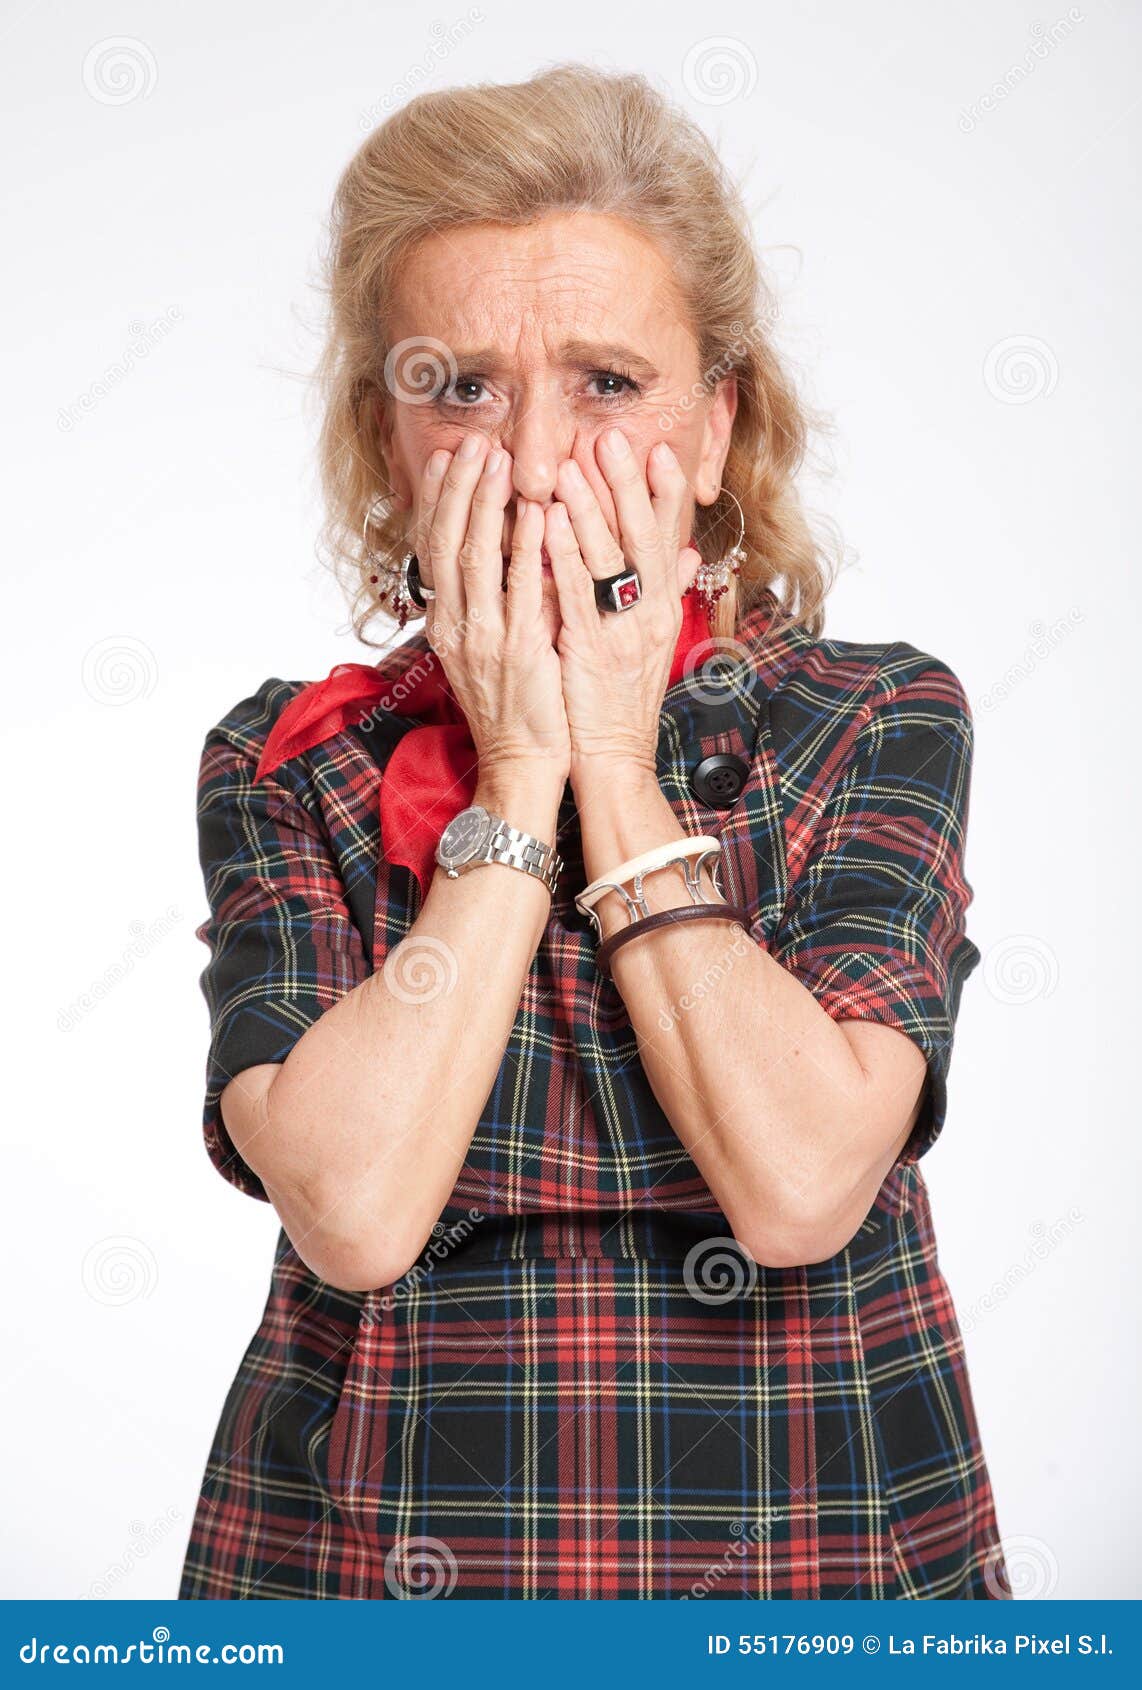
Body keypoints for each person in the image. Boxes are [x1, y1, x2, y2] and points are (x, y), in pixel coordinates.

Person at [179, 63, 1008, 1601]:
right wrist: (512, 776)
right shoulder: (286, 758)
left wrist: (611, 764)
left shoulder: (877, 718)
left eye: (608, 384)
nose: (539, 460)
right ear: (387, 437)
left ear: (711, 432)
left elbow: (799, 1183)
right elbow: (353, 1212)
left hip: (811, 1573)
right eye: (462, 385)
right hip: (365, 1580)